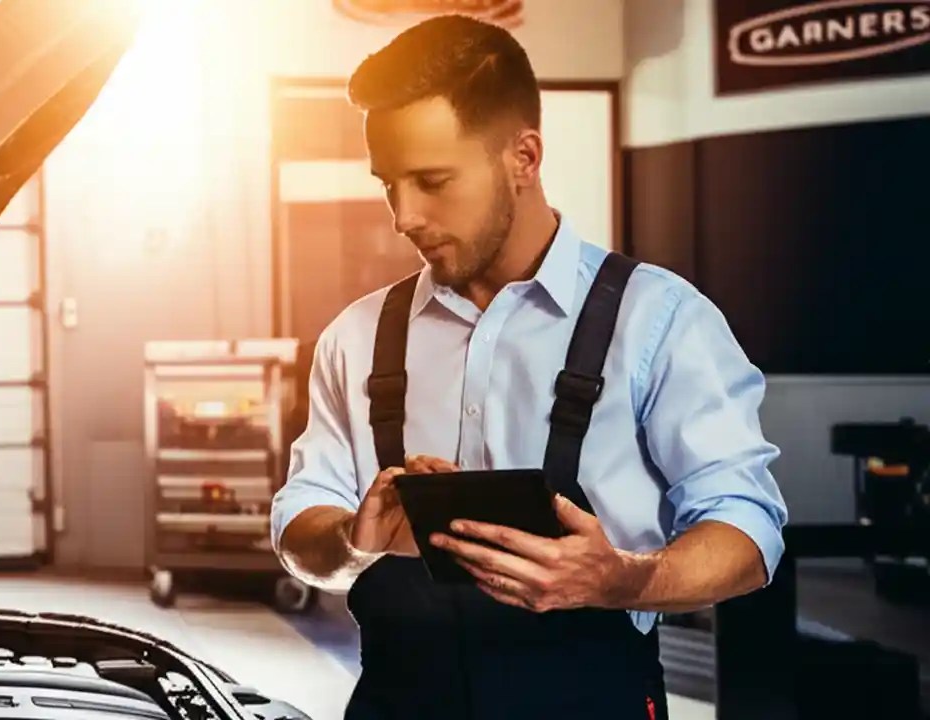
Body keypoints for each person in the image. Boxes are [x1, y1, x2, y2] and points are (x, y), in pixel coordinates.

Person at [269, 13, 789, 720]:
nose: (404, 215)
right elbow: (302, 525)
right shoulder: (355, 339)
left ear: (524, 157)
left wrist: (621, 580)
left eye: (432, 179)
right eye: (390, 183)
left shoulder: (660, 321)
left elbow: (747, 530)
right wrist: (349, 541)